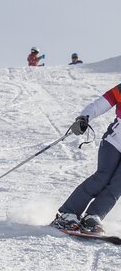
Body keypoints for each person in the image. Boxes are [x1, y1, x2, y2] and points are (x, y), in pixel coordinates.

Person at [51, 82, 121, 236]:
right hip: (114, 142)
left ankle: (93, 217)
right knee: (102, 176)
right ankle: (67, 214)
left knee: (117, 185)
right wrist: (83, 119)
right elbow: (98, 105)